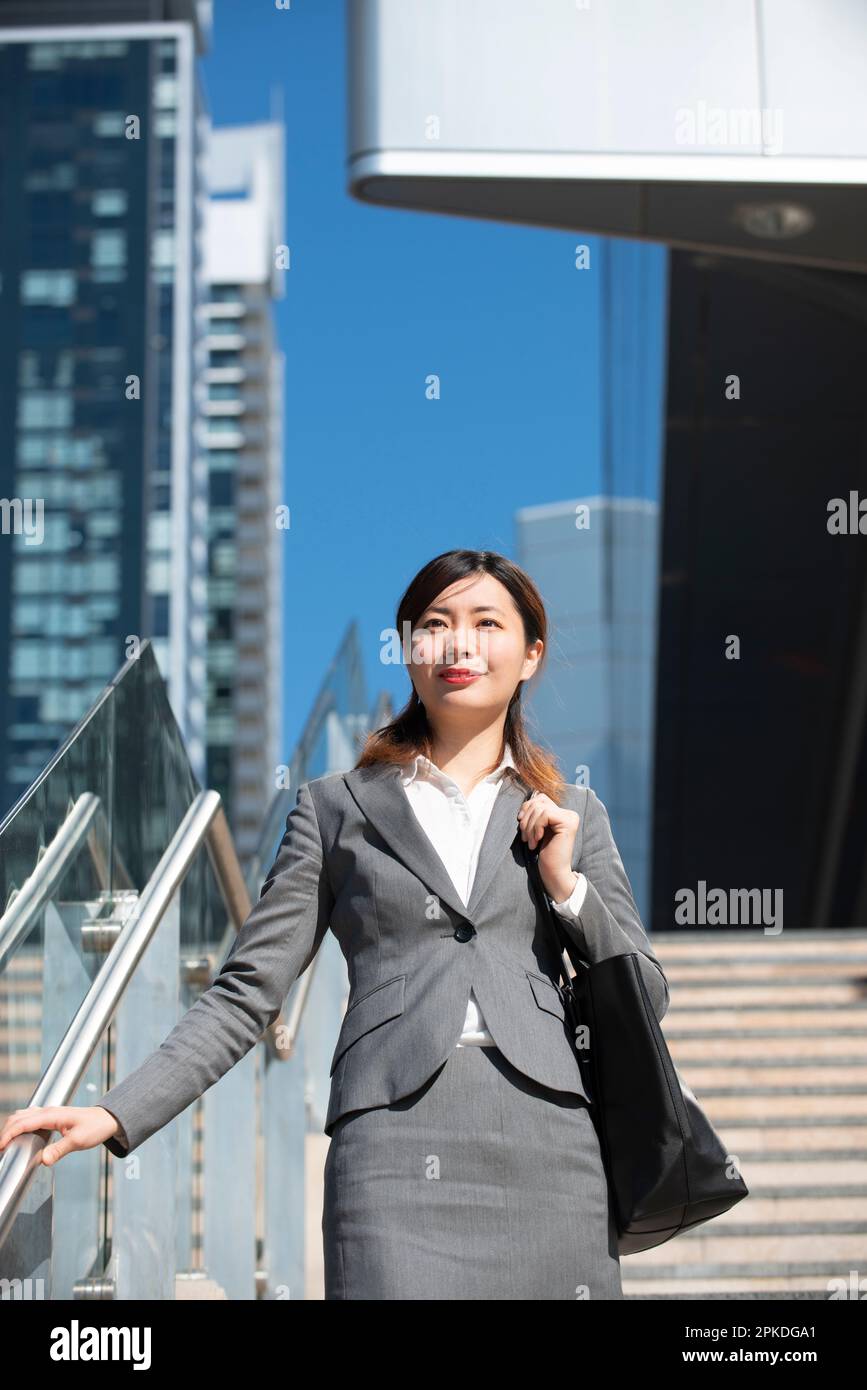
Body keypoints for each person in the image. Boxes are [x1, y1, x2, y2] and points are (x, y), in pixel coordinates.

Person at [0, 548, 670, 1300]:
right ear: (408, 647)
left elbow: (642, 993)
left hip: (549, 1149)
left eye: (487, 624)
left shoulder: (575, 815)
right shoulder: (334, 807)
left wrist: (567, 888)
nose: (459, 644)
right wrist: (116, 1110)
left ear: (529, 654)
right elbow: (246, 993)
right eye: (435, 624)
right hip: (391, 1149)